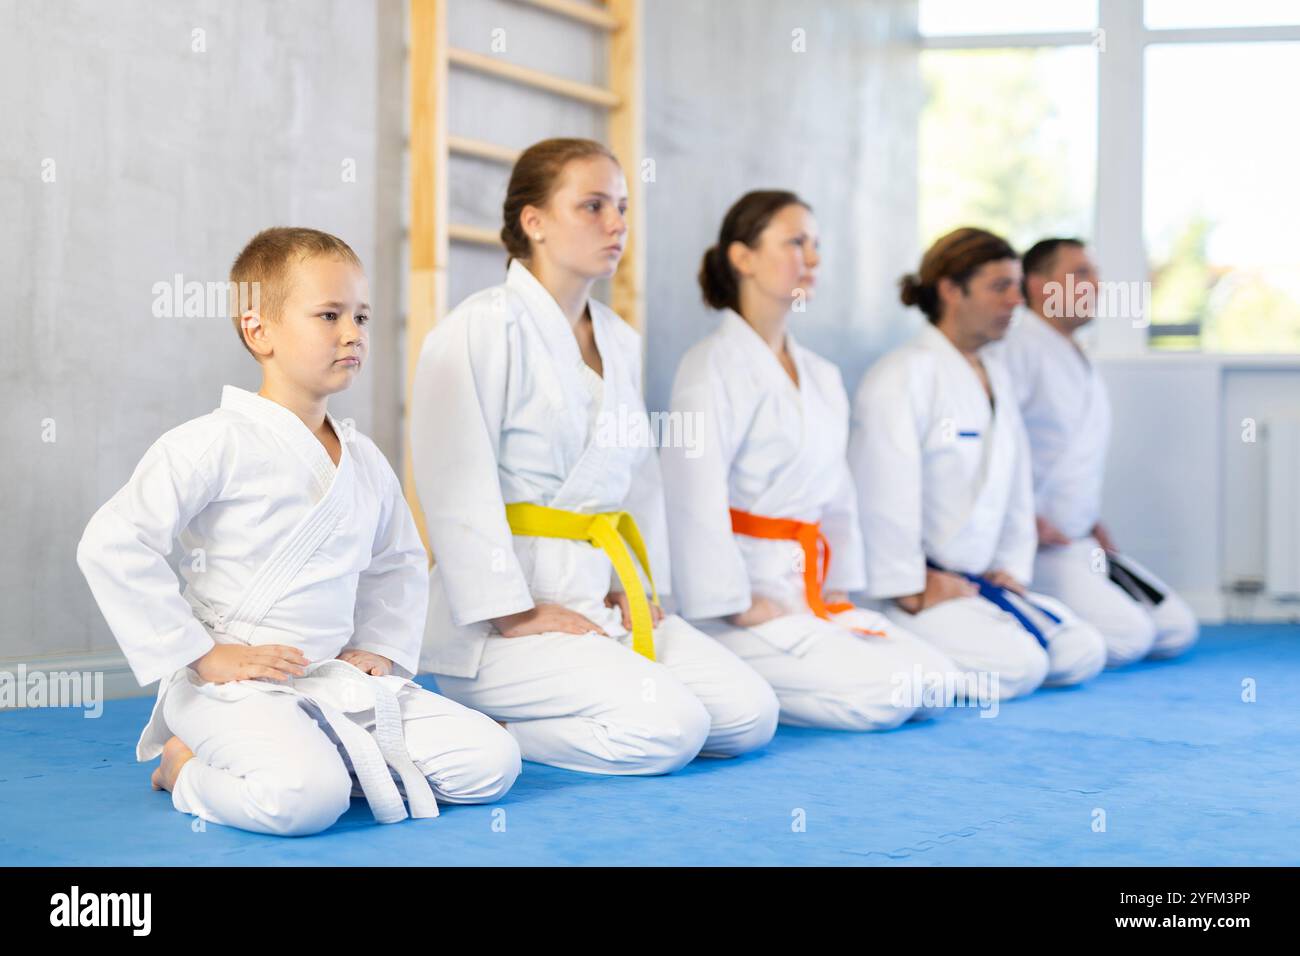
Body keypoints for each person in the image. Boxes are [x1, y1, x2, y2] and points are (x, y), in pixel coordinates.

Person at [76, 227, 520, 836]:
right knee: (302, 802)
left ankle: (328, 763)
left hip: (335, 681)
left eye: (361, 316)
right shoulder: (211, 441)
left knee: (490, 763)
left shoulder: (365, 459)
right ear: (258, 330)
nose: (353, 333)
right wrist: (203, 656)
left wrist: (382, 647)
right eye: (329, 314)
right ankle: (182, 767)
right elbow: (112, 543)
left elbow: (398, 561)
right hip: (233, 689)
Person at [412, 139, 779, 775]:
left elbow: (635, 481)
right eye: (592, 206)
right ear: (535, 222)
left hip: (598, 595)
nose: (616, 225)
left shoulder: (618, 338)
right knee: (673, 729)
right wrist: (512, 610)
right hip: (500, 625)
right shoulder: (478, 329)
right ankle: (493, 733)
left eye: (623, 208)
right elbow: (452, 483)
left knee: (749, 715)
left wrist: (634, 583)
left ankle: (533, 720)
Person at [660, 190, 958, 729]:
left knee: (940, 682)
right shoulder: (708, 369)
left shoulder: (820, 374)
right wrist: (735, 602)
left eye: (816, 245)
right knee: (885, 698)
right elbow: (690, 498)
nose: (814, 259)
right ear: (742, 257)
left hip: (809, 590)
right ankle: (744, 684)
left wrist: (838, 584)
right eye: (796, 242)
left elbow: (837, 495)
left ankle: (795, 678)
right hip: (742, 604)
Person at [849, 227, 1107, 699]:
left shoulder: (996, 374)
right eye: (1000, 287)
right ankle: (895, 643)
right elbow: (881, 492)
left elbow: (1013, 485)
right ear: (951, 289)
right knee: (1021, 667)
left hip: (977, 578)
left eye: (1016, 285)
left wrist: (1010, 565)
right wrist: (910, 586)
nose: (1015, 300)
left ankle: (942, 652)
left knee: (1083, 650)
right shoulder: (903, 375)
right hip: (919, 584)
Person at [999, 238, 1198, 665]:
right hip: (1032, 543)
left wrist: (1091, 519)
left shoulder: (1074, 354)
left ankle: (1068, 612)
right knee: (1129, 637)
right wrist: (1025, 518)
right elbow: (997, 449)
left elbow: (1071, 458)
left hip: (1078, 538)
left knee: (1175, 628)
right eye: (1080, 274)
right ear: (1037, 284)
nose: (1096, 285)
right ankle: (1009, 626)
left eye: (1095, 275)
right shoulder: (1017, 349)